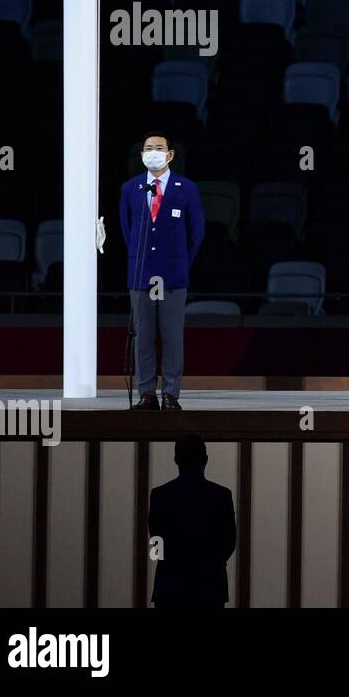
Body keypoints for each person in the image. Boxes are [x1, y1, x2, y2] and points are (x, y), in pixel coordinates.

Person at [119, 131, 205, 410]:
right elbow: (126, 229)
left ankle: (170, 393)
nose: (153, 152)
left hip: (173, 276)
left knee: (172, 336)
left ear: (170, 155)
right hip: (141, 275)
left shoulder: (186, 187)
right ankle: (146, 393)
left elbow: (197, 232)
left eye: (158, 148)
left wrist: (179, 261)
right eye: (148, 148)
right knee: (143, 336)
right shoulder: (131, 188)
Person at [149, 435, 237, 609]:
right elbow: (229, 542)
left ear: (176, 460)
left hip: (170, 585)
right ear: (205, 460)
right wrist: (211, 562)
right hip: (210, 585)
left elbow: (156, 540)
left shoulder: (160, 495)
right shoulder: (221, 495)